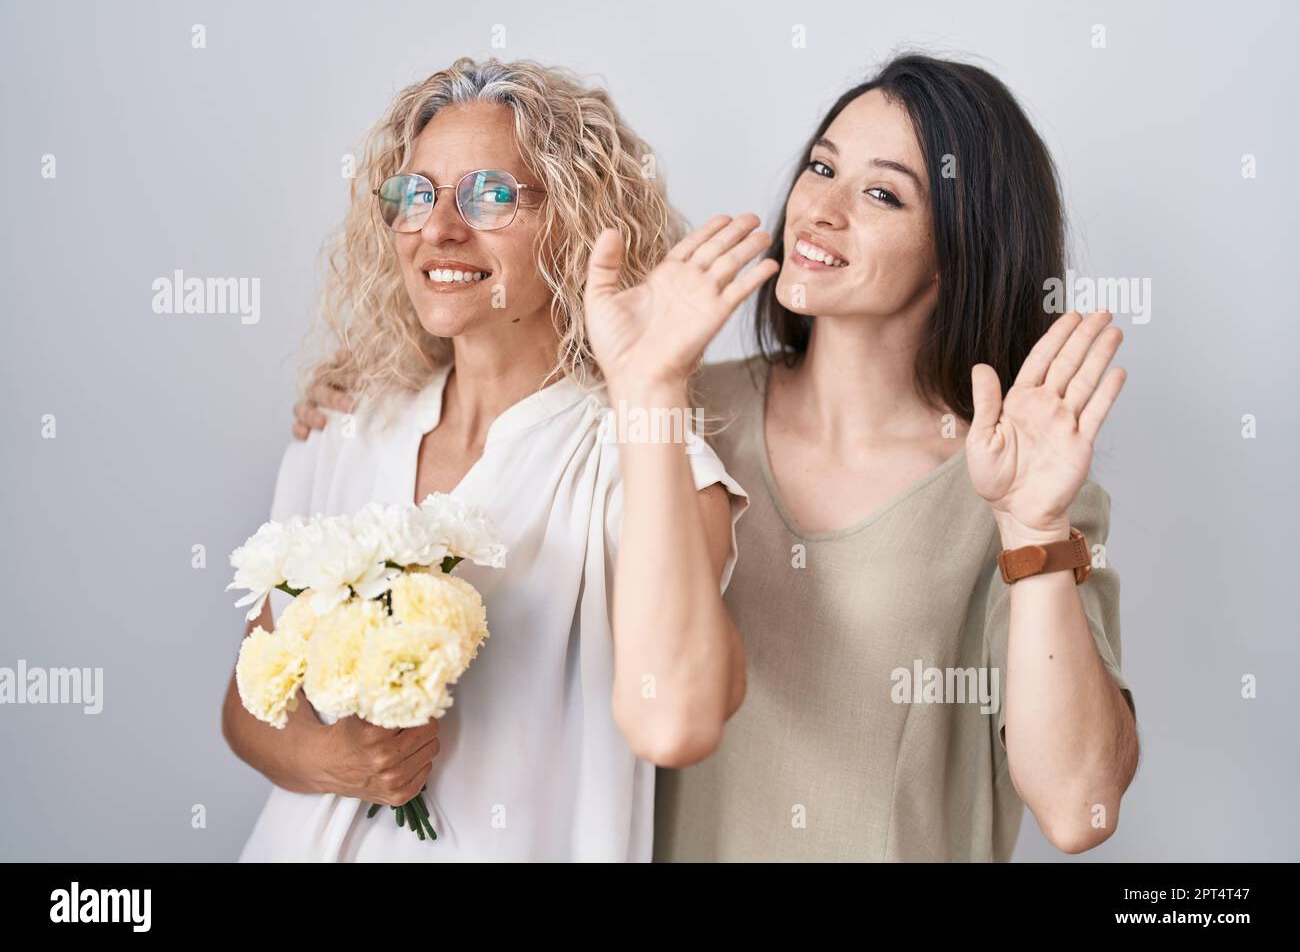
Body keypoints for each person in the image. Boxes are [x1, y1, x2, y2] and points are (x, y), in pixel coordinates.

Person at [293, 53, 1140, 862]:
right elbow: (504, 407)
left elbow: (1077, 807)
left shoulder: (1020, 484)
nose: (823, 210)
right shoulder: (678, 413)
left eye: (882, 194)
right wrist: (377, 390)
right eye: (820, 168)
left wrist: (1031, 524)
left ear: (964, 248)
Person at [223, 57, 770, 862]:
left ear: (579, 221)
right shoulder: (344, 428)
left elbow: (680, 712)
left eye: (491, 195)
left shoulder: (642, 454)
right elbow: (247, 704)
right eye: (416, 195)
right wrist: (328, 759)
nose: (439, 229)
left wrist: (648, 386)